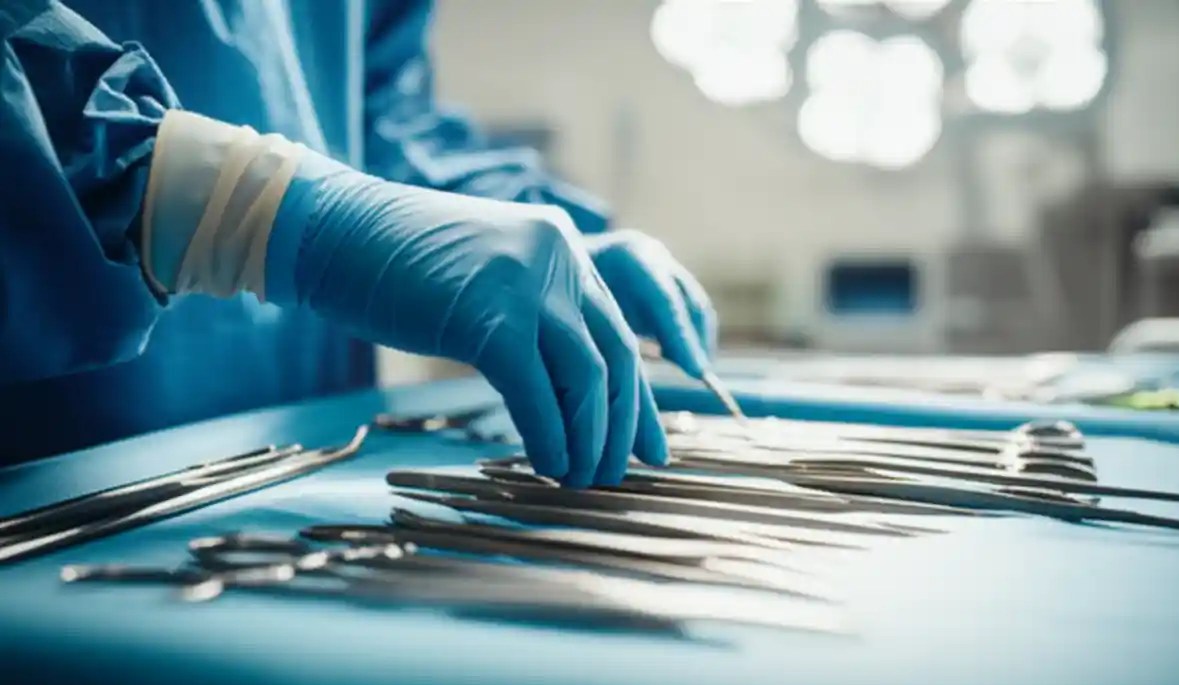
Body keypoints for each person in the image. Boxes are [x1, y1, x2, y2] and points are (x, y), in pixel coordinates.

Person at [0, 0, 717, 488]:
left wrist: (536, 225)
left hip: (304, 451)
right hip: (49, 457)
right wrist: (236, 210)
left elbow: (378, 106)